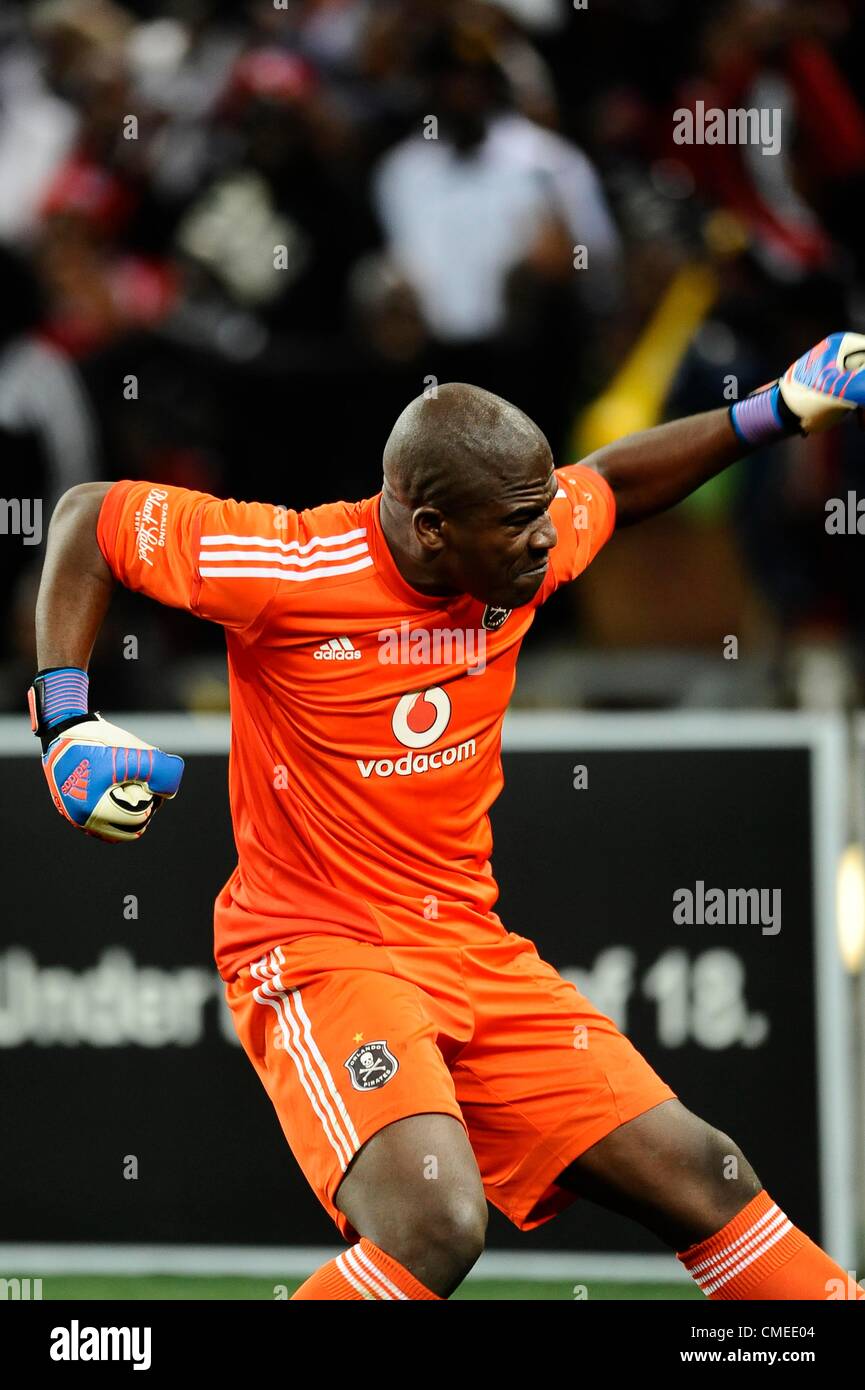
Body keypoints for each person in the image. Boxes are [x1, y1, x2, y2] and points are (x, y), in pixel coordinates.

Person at [29, 332, 865, 1301]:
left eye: (542, 512)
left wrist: (779, 406)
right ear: (431, 529)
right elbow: (89, 519)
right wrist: (64, 722)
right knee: (433, 1222)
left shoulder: (513, 553)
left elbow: (612, 486)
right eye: (519, 522)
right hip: (319, 947)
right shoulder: (285, 565)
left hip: (471, 946)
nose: (548, 537)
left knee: (703, 1173)